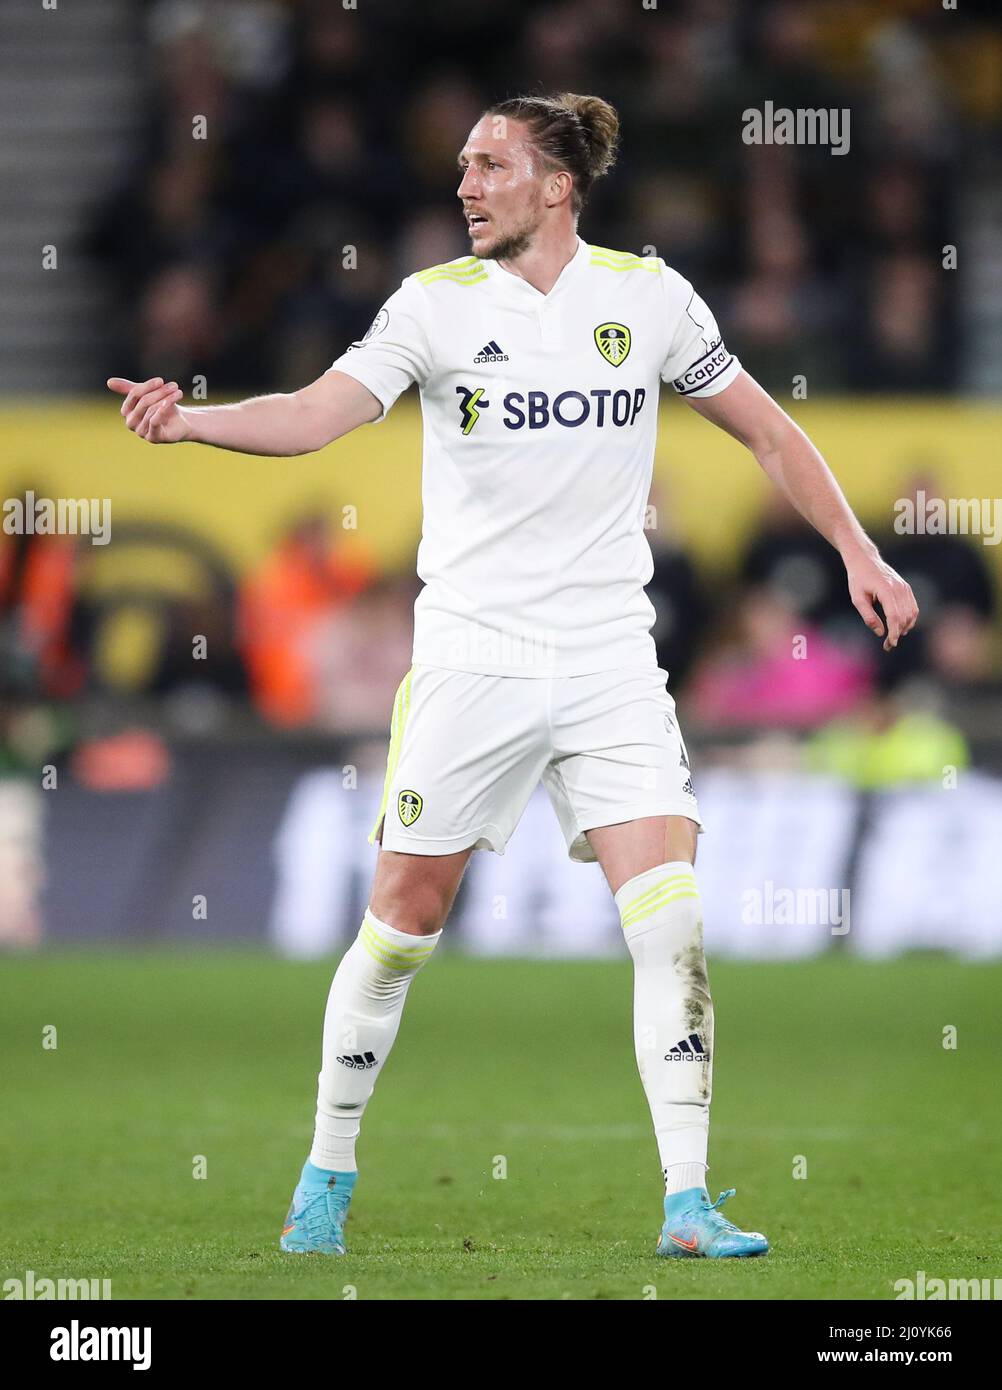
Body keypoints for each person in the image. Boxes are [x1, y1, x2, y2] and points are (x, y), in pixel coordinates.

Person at [107, 92, 918, 1260]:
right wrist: (193, 424)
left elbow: (770, 433)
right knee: (401, 923)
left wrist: (857, 548)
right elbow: (311, 415)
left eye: (489, 164)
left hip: (608, 660)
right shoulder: (432, 309)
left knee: (670, 922)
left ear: (556, 185)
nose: (465, 183)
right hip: (472, 660)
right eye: (461, 164)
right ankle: (326, 1172)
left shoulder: (648, 299)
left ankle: (687, 1201)